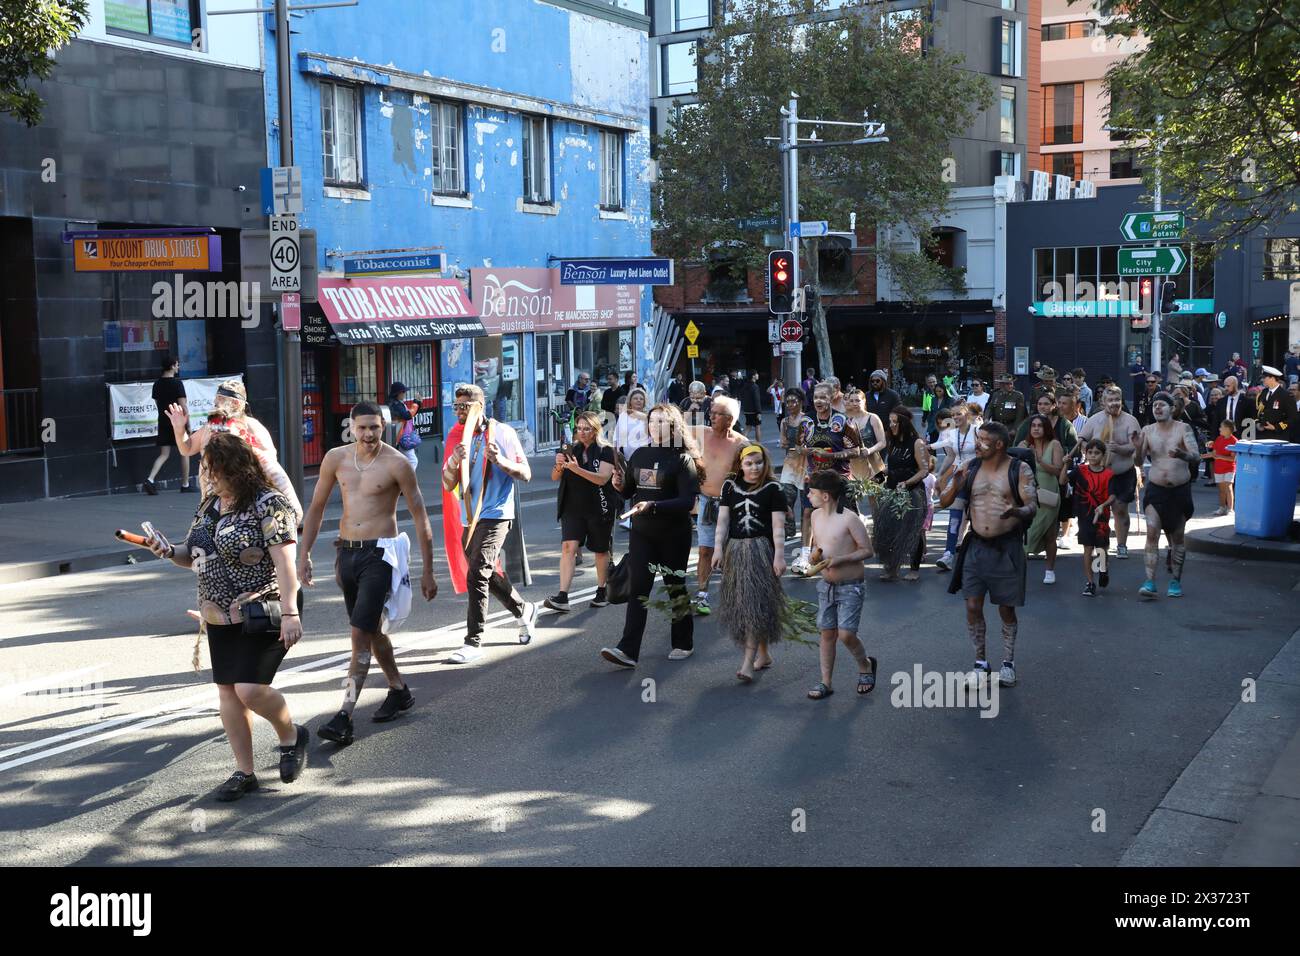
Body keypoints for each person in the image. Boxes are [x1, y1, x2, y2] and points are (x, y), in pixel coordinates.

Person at [144, 433, 306, 800]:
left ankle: (291, 736)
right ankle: (244, 772)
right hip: (218, 614)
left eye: (214, 470)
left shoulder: (269, 503)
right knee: (228, 693)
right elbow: (192, 554)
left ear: (236, 467)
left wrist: (292, 612)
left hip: (263, 609)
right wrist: (168, 550)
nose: (209, 476)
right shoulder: (210, 504)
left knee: (250, 689)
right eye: (205, 469)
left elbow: (285, 562)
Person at [297, 401, 437, 744]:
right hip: (347, 554)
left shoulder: (397, 463)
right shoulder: (336, 459)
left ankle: (344, 715)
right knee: (372, 632)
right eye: (362, 428)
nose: (369, 434)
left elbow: (420, 517)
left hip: (380, 555)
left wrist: (428, 570)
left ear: (383, 427)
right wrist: (304, 555)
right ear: (351, 427)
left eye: (374, 427)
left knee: (359, 636)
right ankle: (399, 689)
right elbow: (315, 508)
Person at [439, 384, 537, 663]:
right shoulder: (458, 436)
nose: (459, 411)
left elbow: (526, 473)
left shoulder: (502, 432)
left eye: (464, 406)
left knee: (476, 574)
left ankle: (473, 640)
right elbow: (449, 485)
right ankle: (523, 610)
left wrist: (500, 460)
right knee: (481, 572)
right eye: (456, 406)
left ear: (479, 407)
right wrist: (453, 464)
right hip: (469, 517)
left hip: (496, 514)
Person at [600, 404, 701, 667]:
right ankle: (628, 650)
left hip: (673, 534)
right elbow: (629, 493)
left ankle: (683, 642)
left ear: (673, 426)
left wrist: (653, 506)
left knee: (675, 588)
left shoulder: (682, 459)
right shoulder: (641, 454)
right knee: (638, 591)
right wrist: (619, 486)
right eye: (652, 422)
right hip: (643, 533)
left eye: (661, 422)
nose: (654, 427)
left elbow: (687, 502)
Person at [939, 421, 1038, 689]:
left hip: (1006, 547)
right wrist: (955, 479)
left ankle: (1008, 662)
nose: (977, 444)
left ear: (999, 445)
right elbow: (945, 501)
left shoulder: (1020, 469)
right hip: (976, 547)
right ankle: (980, 663)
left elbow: (1032, 505)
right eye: (977, 438)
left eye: (983, 440)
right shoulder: (971, 467)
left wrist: (1017, 512)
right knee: (972, 605)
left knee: (1006, 609)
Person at [166, 378, 303, 522]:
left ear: (236, 403)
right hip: (215, 500)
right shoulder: (210, 427)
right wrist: (179, 429)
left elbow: (270, 465)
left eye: (220, 399)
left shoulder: (251, 426)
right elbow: (186, 449)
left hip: (247, 502)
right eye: (216, 398)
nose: (215, 402)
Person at [713, 444, 787, 682]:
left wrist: (779, 556)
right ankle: (763, 655)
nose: (754, 468)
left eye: (759, 463)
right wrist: (717, 549)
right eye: (749, 463)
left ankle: (747, 663)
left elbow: (778, 527)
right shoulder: (729, 486)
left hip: (761, 552)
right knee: (747, 605)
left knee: (754, 605)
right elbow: (723, 521)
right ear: (741, 465)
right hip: (735, 551)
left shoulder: (774, 488)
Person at [804, 469, 877, 700]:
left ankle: (865, 664)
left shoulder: (849, 518)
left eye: (811, 492)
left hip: (851, 585)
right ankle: (826, 682)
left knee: (845, 634)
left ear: (825, 496)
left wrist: (840, 560)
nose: (807, 495)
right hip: (827, 585)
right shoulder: (815, 516)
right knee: (827, 633)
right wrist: (815, 556)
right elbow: (819, 546)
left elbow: (867, 551)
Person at [545, 410, 616, 612]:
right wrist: (559, 466)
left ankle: (602, 590)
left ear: (595, 430)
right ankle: (562, 596)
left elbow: (602, 478)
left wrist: (576, 470)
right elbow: (554, 477)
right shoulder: (571, 449)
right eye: (579, 428)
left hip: (599, 507)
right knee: (568, 547)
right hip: (572, 506)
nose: (582, 432)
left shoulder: (606, 450)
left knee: (600, 550)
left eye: (587, 429)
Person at [791, 383, 863, 573]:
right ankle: (805, 555)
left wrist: (831, 456)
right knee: (807, 513)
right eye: (816, 397)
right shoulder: (806, 421)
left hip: (838, 477)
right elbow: (798, 447)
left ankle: (849, 551)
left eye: (823, 397)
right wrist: (804, 450)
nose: (819, 401)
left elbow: (856, 451)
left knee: (843, 514)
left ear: (832, 398)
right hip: (814, 476)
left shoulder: (844, 421)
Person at [1136, 392, 1199, 598]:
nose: (1157, 408)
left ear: (1172, 408)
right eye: (1155, 405)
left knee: (1178, 538)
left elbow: (1196, 457)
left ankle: (1175, 581)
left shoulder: (1183, 429)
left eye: (1162, 404)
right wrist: (1137, 448)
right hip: (1156, 490)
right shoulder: (1147, 430)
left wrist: (1182, 455)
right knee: (1152, 534)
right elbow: (1138, 461)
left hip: (1179, 492)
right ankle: (1149, 581)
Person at [692, 395, 747, 614]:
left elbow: (759, 472)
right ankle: (702, 594)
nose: (711, 416)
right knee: (705, 550)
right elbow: (673, 427)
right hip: (705, 502)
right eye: (711, 412)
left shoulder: (742, 444)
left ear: (730, 419)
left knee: (730, 551)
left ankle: (733, 594)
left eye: (716, 413)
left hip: (730, 505)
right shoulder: (700, 433)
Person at [1078, 385, 1142, 559]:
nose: (1114, 403)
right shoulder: (1095, 419)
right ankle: (1100, 544)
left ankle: (1122, 545)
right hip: (1099, 474)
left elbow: (1135, 445)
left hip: (1123, 473)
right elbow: (1082, 439)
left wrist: (1119, 448)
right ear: (1103, 402)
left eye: (1117, 400)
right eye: (1110, 400)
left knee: (1120, 509)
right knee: (1098, 510)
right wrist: (1089, 451)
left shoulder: (1130, 420)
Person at [874, 407, 931, 582]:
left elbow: (924, 470)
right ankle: (891, 567)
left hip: (912, 492)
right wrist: (880, 475)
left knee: (913, 531)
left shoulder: (917, 443)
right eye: (890, 421)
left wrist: (907, 483)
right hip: (892, 491)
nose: (890, 425)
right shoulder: (892, 442)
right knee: (888, 529)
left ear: (904, 423)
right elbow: (892, 466)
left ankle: (914, 569)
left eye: (894, 422)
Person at [933, 402, 980, 571]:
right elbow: (951, 456)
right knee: (955, 515)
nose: (956, 418)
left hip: (977, 475)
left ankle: (980, 554)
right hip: (959, 477)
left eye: (959, 414)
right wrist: (939, 474)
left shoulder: (976, 430)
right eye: (953, 416)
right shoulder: (952, 434)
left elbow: (985, 453)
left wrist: (970, 463)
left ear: (966, 414)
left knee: (977, 515)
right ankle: (948, 554)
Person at [1068, 439, 1116, 597]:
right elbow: (1063, 480)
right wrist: (1064, 464)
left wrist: (1103, 505)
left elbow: (1113, 496)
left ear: (1103, 455)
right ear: (1085, 453)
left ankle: (1102, 569)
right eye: (1090, 452)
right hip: (1084, 516)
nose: (1093, 455)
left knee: (1101, 549)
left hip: (1102, 517)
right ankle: (1090, 582)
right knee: (1087, 549)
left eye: (1097, 453)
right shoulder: (1080, 470)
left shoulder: (1109, 474)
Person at [1020, 414, 1063, 585]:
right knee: (1025, 533)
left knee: (1050, 534)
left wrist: (1038, 460)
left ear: (1046, 428)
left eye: (1040, 425)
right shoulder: (1024, 445)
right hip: (1028, 494)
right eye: (1033, 425)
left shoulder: (1055, 444)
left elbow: (1058, 471)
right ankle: (1019, 571)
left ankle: (1050, 570)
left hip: (1049, 494)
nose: (1036, 428)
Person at [144, 355, 193, 494]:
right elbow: (183, 406)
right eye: (177, 364)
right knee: (185, 452)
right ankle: (185, 484)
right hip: (178, 422)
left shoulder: (157, 384)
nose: (178, 367)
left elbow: (157, 404)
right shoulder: (177, 384)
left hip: (163, 420)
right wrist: (188, 425)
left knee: (164, 454)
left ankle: (150, 479)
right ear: (172, 366)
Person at [778, 388, 813, 546]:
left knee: (806, 500)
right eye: (788, 402)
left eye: (793, 401)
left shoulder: (807, 420)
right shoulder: (785, 422)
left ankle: (805, 532)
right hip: (790, 462)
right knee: (785, 497)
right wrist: (784, 443)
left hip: (806, 463)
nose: (790, 405)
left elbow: (812, 442)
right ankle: (788, 528)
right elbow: (782, 442)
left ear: (801, 402)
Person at [843, 387, 887, 483]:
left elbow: (883, 442)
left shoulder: (873, 418)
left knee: (875, 496)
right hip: (854, 467)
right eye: (851, 401)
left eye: (858, 400)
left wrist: (869, 450)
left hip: (874, 465)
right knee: (855, 496)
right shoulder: (847, 422)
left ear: (864, 401)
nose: (854, 403)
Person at [1204, 419, 1237, 517]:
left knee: (1228, 487)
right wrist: (1202, 456)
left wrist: (1220, 457)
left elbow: (1233, 458)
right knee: (1222, 490)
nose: (1219, 429)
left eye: (1221, 427)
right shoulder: (1219, 439)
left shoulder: (1234, 441)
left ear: (1227, 429)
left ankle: (1230, 509)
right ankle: (1222, 508)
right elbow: (1214, 454)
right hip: (1218, 468)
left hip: (1229, 468)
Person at [386, 381, 422, 470]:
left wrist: (417, 404)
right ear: (398, 393)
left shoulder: (396, 403)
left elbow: (409, 415)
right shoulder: (395, 404)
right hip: (401, 435)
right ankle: (407, 480)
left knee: (402, 460)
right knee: (413, 460)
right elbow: (407, 416)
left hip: (400, 434)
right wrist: (416, 403)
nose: (405, 394)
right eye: (403, 392)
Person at [1256, 365, 1297, 439]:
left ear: (1272, 378)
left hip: (1278, 435)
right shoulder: (1263, 393)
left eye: (1265, 378)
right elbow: (1259, 411)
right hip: (1262, 435)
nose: (1263, 380)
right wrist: (1258, 423)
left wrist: (1276, 427)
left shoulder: (1285, 395)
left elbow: (1292, 418)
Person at [921, 374, 952, 441]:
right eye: (930, 382)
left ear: (936, 381)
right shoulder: (926, 393)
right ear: (927, 383)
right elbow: (925, 409)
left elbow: (950, 401)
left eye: (934, 381)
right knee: (930, 443)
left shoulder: (944, 390)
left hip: (944, 422)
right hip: (932, 422)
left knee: (946, 444)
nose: (932, 384)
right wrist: (923, 420)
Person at [736, 371, 764, 441]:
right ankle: (758, 444)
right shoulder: (755, 386)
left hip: (747, 410)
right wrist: (759, 412)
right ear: (753, 376)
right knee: (757, 427)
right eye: (756, 374)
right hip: (754, 410)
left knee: (748, 427)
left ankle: (740, 441)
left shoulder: (745, 386)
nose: (758, 375)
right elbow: (756, 400)